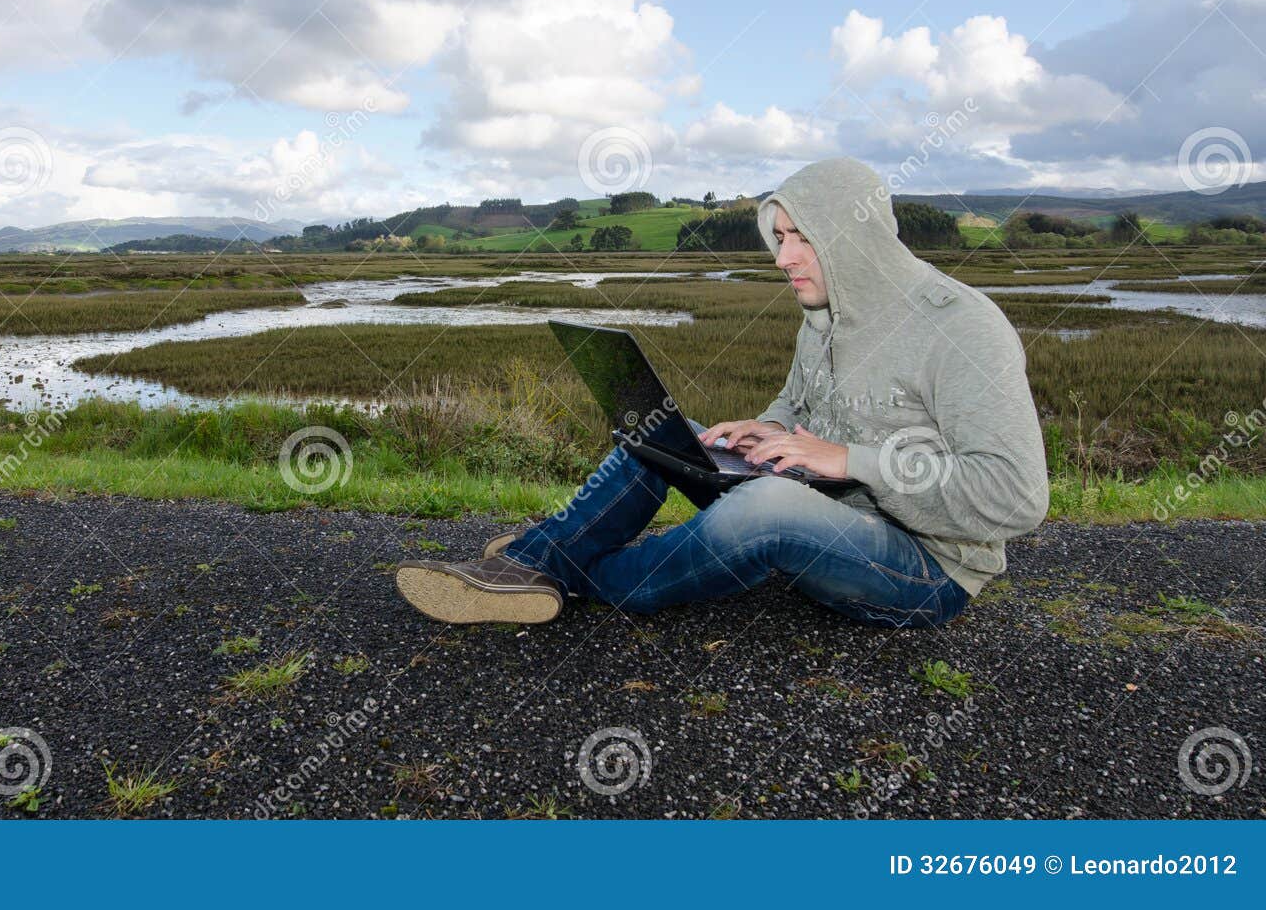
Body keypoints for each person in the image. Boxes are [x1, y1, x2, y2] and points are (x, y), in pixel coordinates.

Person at [394, 157, 1048, 628]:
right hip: (822, 506)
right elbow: (797, 409)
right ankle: (538, 559)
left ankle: (562, 572)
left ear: (855, 242)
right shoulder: (825, 318)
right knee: (663, 433)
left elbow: (1016, 498)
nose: (783, 258)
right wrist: (764, 431)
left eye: (803, 240)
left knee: (766, 507)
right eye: (781, 237)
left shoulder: (963, 329)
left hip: (924, 569)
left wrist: (850, 461)